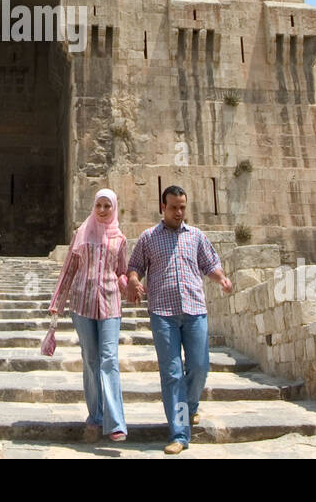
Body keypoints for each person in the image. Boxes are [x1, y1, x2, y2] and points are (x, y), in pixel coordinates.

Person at [127, 185, 233, 454]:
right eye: (173, 207)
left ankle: (190, 406)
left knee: (199, 367)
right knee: (172, 374)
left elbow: (210, 264)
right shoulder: (149, 237)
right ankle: (179, 433)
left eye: (183, 207)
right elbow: (135, 266)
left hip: (195, 310)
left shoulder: (196, 236)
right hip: (163, 313)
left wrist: (221, 278)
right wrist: (133, 281)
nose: (179, 212)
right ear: (163, 207)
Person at [49, 189, 130, 443]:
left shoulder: (120, 239)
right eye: (99, 205)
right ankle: (95, 417)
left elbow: (122, 272)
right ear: (93, 207)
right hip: (82, 304)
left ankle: (115, 421)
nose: (103, 210)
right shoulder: (81, 235)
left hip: (110, 304)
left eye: (108, 205)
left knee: (109, 359)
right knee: (91, 360)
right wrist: (57, 304)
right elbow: (69, 270)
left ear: (114, 208)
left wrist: (130, 283)